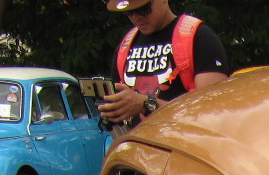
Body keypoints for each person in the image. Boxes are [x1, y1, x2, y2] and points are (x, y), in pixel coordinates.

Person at [98, 0, 230, 131]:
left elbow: (212, 109)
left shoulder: (200, 37)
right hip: (141, 147)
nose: (136, 17)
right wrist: (113, 111)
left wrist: (145, 104)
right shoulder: (126, 45)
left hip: (186, 145)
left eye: (143, 9)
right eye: (129, 12)